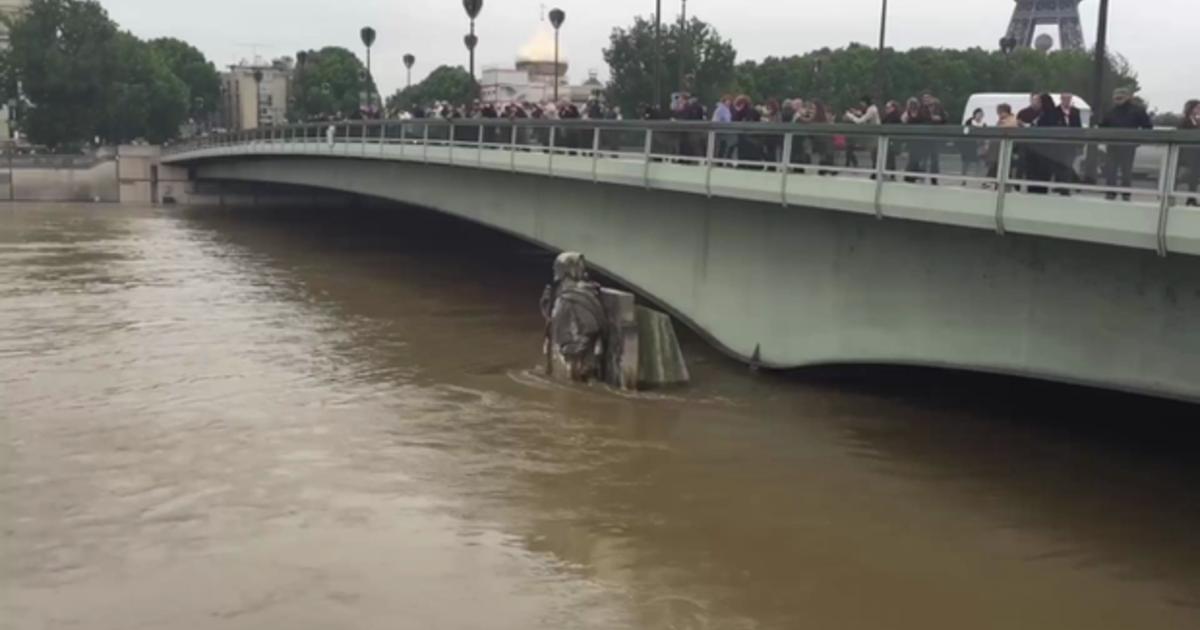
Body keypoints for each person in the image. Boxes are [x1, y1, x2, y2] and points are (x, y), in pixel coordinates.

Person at [1099, 87, 1154, 201]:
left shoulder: (1137, 110)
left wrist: (1137, 141)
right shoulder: (1111, 111)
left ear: (1127, 97)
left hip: (1128, 146)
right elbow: (1103, 126)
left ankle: (1126, 193)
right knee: (1111, 170)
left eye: (1120, 97)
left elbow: (1147, 127)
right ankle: (1110, 192)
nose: (1118, 99)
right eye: (1116, 98)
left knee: (1126, 171)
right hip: (1112, 145)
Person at [1180, 100, 1199, 207]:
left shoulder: (1197, 121)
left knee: (1194, 176)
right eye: (1197, 107)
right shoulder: (1185, 121)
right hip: (1188, 152)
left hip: (1196, 153)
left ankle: (1191, 198)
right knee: (1188, 175)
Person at [961, 107, 986, 177]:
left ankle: (977, 176)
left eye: (981, 114)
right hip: (969, 145)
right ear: (975, 114)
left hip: (979, 146)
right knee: (966, 163)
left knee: (980, 162)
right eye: (979, 114)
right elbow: (965, 132)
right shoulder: (969, 122)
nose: (980, 116)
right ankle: (963, 177)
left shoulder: (983, 124)